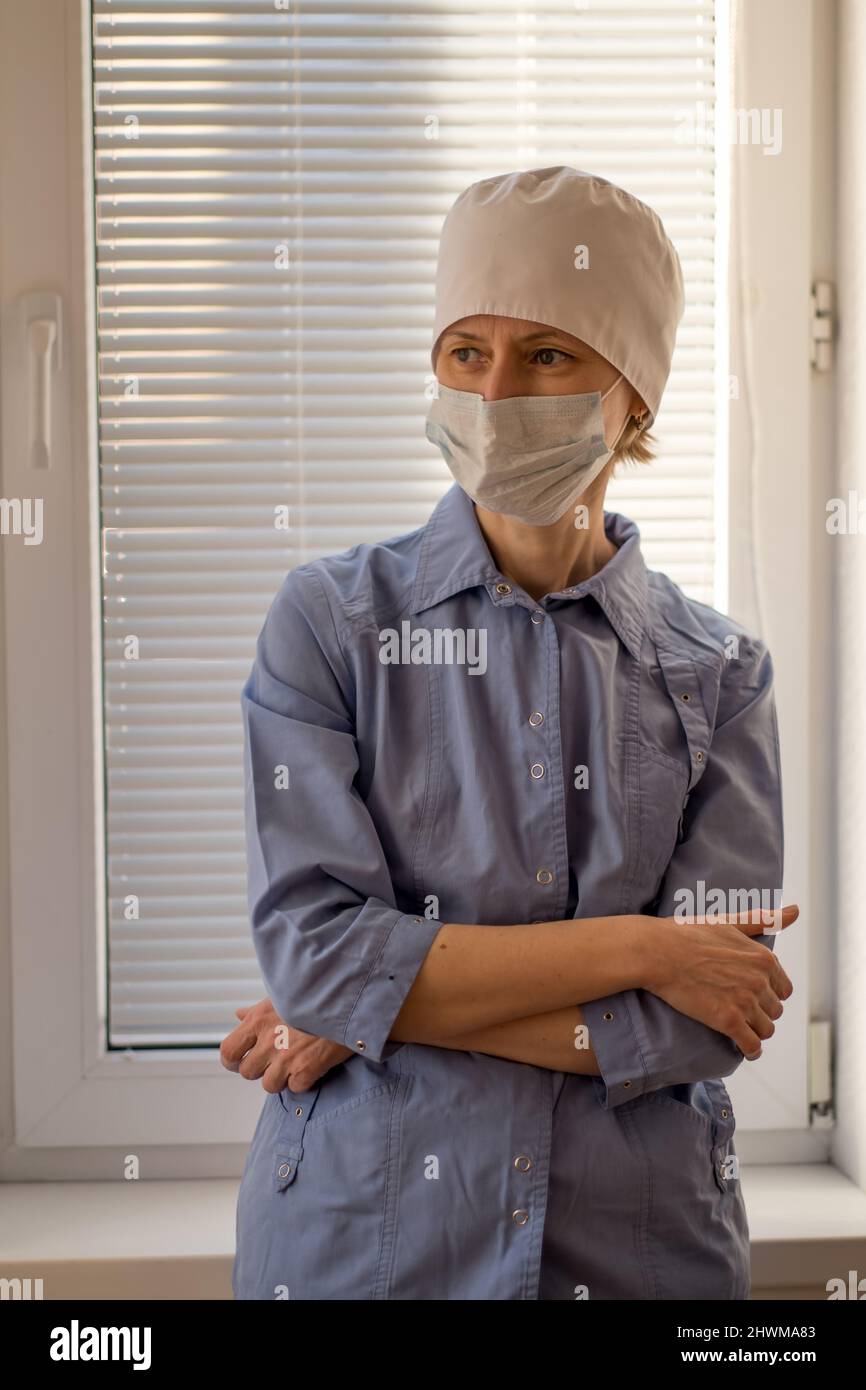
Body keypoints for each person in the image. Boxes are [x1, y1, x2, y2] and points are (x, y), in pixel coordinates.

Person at [225, 166, 797, 1301]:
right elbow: (317, 956)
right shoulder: (329, 627)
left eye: (545, 355)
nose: (492, 393)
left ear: (632, 395)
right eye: (463, 354)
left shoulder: (720, 674)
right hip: (366, 1247)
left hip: (642, 1254)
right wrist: (645, 950)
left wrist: (378, 1012)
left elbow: (706, 1027)